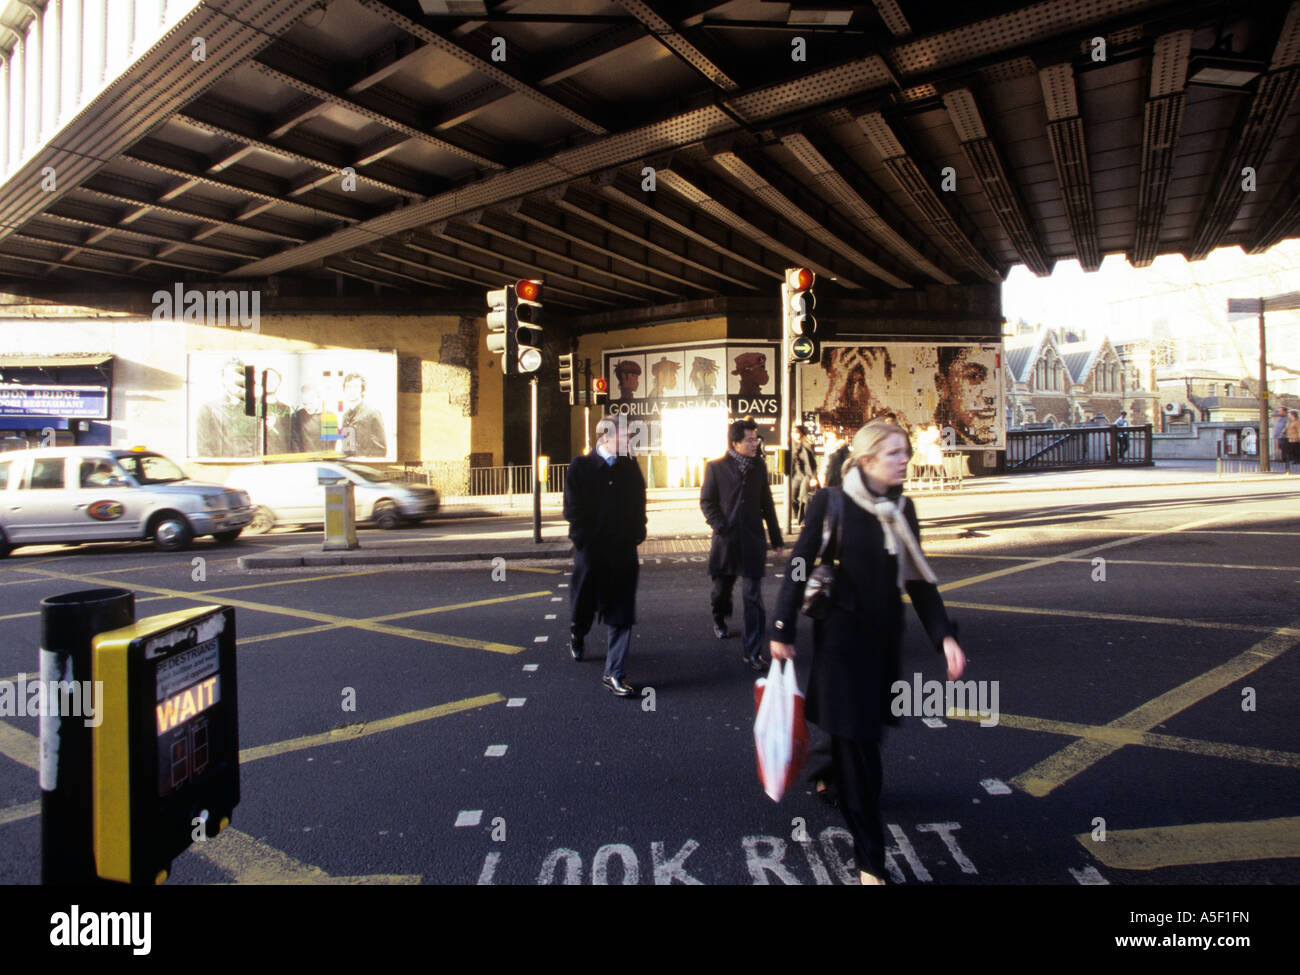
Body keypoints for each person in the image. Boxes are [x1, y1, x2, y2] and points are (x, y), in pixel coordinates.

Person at [769, 420, 966, 885]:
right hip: (841, 646)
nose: (905, 460)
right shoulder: (832, 503)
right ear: (866, 459)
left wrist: (945, 637)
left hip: (883, 647)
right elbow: (799, 565)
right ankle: (870, 864)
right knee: (863, 761)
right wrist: (781, 626)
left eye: (906, 453)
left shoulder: (903, 508)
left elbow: (918, 579)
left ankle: (828, 772)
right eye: (895, 453)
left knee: (861, 740)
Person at [563, 417, 648, 697]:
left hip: (622, 550)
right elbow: (572, 509)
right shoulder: (581, 467)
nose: (629, 439)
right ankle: (578, 631)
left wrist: (638, 531)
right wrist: (583, 539)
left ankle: (614, 673)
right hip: (592, 550)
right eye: (625, 435)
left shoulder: (630, 466)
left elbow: (639, 501)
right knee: (584, 604)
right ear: (606, 438)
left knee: (621, 612)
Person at [700, 418, 783, 670]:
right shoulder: (715, 467)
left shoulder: (758, 467)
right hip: (726, 541)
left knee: (753, 597)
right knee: (720, 592)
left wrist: (776, 539)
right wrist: (719, 525)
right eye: (749, 439)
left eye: (755, 439)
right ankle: (719, 618)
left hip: (752, 541)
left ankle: (753, 651)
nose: (754, 443)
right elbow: (707, 501)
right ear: (735, 443)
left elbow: (766, 503)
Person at [340, 372, 387, 457]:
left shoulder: (372, 413)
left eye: (355, 386)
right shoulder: (345, 416)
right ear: (344, 390)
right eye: (348, 386)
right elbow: (345, 447)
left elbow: (380, 449)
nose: (351, 390)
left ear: (362, 390)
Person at [790, 425, 818, 524]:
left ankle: (803, 520)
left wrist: (814, 476)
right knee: (792, 496)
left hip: (807, 474)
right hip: (796, 474)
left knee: (803, 496)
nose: (795, 434)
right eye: (793, 432)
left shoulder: (807, 444)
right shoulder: (791, 445)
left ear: (801, 433)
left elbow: (812, 462)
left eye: (797, 432)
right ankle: (796, 515)